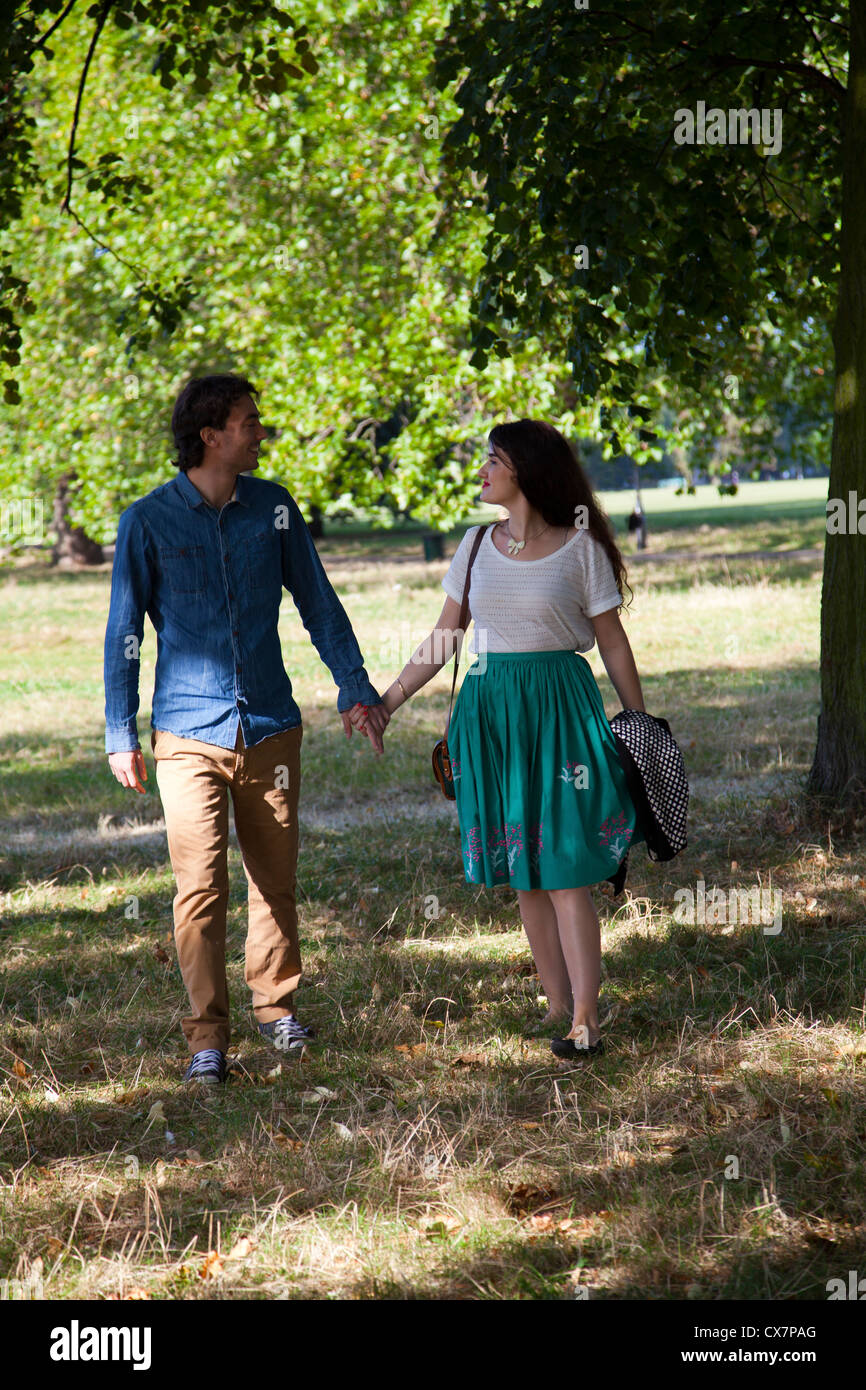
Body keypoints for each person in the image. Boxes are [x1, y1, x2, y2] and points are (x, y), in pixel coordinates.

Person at [103, 374, 388, 1085]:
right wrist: (119, 728)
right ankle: (207, 1039)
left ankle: (276, 1011)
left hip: (269, 727)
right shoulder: (147, 520)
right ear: (211, 434)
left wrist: (357, 691)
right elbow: (124, 632)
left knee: (274, 880)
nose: (260, 432)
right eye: (249, 422)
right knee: (200, 886)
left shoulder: (276, 510)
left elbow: (319, 605)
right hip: (186, 734)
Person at [351, 419, 644, 1060]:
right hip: (489, 712)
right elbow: (445, 637)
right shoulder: (477, 545)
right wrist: (388, 703)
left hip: (560, 710)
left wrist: (638, 722)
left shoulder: (581, 548)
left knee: (565, 864)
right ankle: (558, 1007)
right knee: (526, 871)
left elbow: (613, 641)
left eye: (493, 458)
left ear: (526, 471)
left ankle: (587, 1019)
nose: (481, 469)